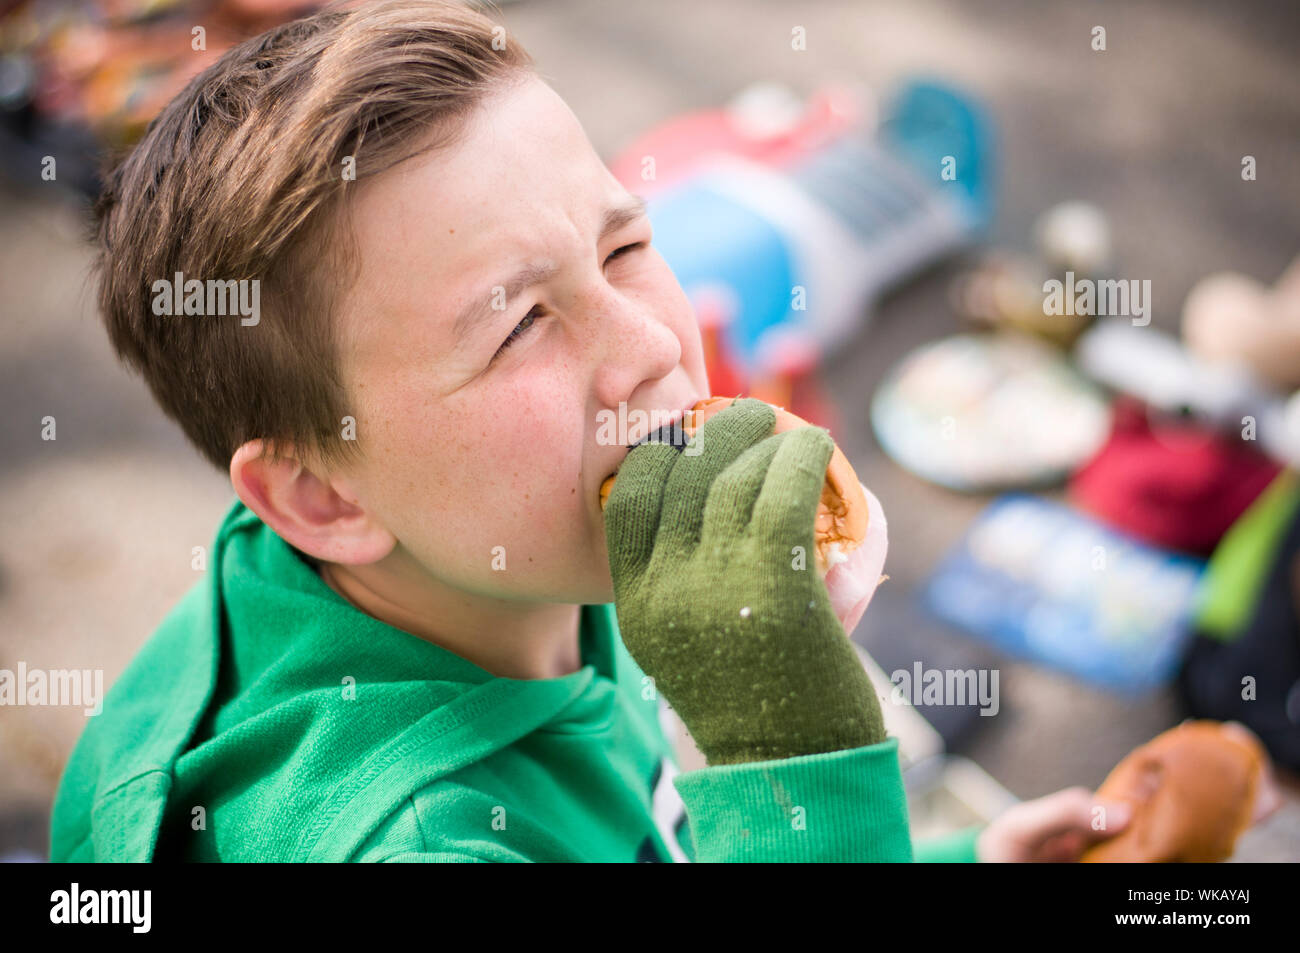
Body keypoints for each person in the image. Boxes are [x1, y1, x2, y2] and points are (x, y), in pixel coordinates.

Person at [50, 0, 1131, 862]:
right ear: (322, 498)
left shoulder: (520, 552)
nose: (653, 345)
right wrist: (787, 748)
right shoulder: (417, 842)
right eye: (520, 323)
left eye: (623, 249)